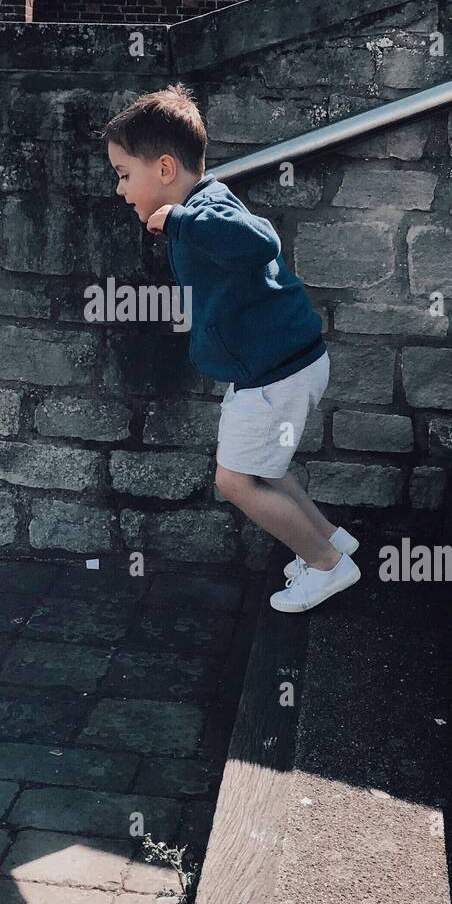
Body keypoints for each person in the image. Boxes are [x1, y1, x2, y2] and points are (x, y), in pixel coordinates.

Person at [103, 82, 359, 613]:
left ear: (166, 169)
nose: (121, 190)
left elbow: (261, 240)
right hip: (281, 368)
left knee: (236, 482)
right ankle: (330, 541)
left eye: (126, 175)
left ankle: (328, 566)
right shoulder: (204, 209)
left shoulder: (206, 210)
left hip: (274, 376)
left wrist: (179, 219)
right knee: (265, 470)